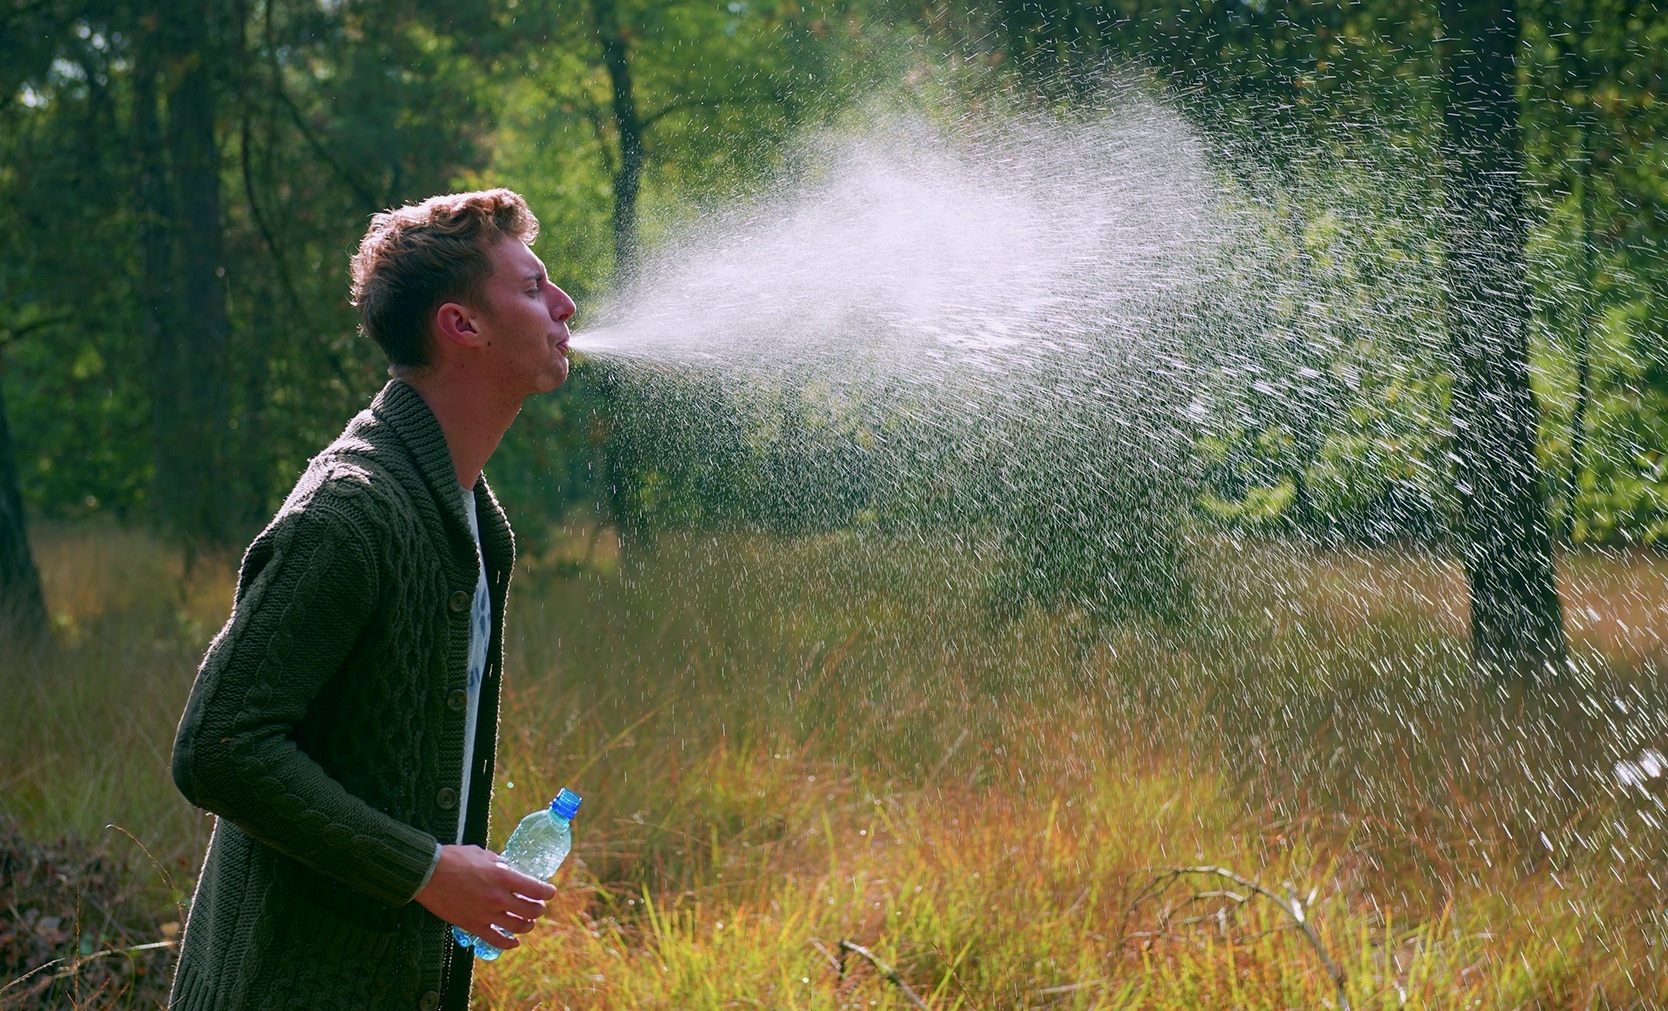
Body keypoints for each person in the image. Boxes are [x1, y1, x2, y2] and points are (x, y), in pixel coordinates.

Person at [168, 189, 577, 1011]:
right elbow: (217, 746)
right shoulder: (349, 513)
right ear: (461, 325)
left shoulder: (473, 520)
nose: (564, 304)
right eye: (533, 288)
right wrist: (425, 870)